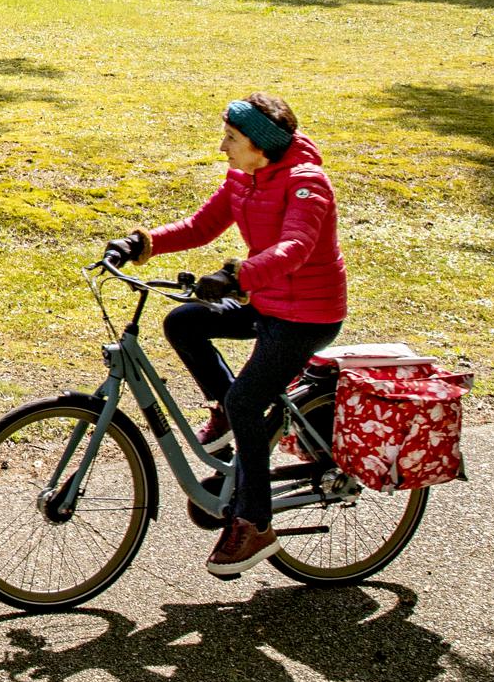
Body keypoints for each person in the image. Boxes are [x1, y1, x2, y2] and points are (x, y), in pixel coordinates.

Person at [104, 92, 346, 578]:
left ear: (261, 146)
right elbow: (202, 226)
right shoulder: (245, 177)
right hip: (265, 301)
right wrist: (142, 242)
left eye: (232, 139)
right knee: (184, 321)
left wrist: (238, 277)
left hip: (307, 316)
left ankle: (254, 521)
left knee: (246, 401)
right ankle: (229, 421)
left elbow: (295, 248)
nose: (222, 147)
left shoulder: (306, 184)